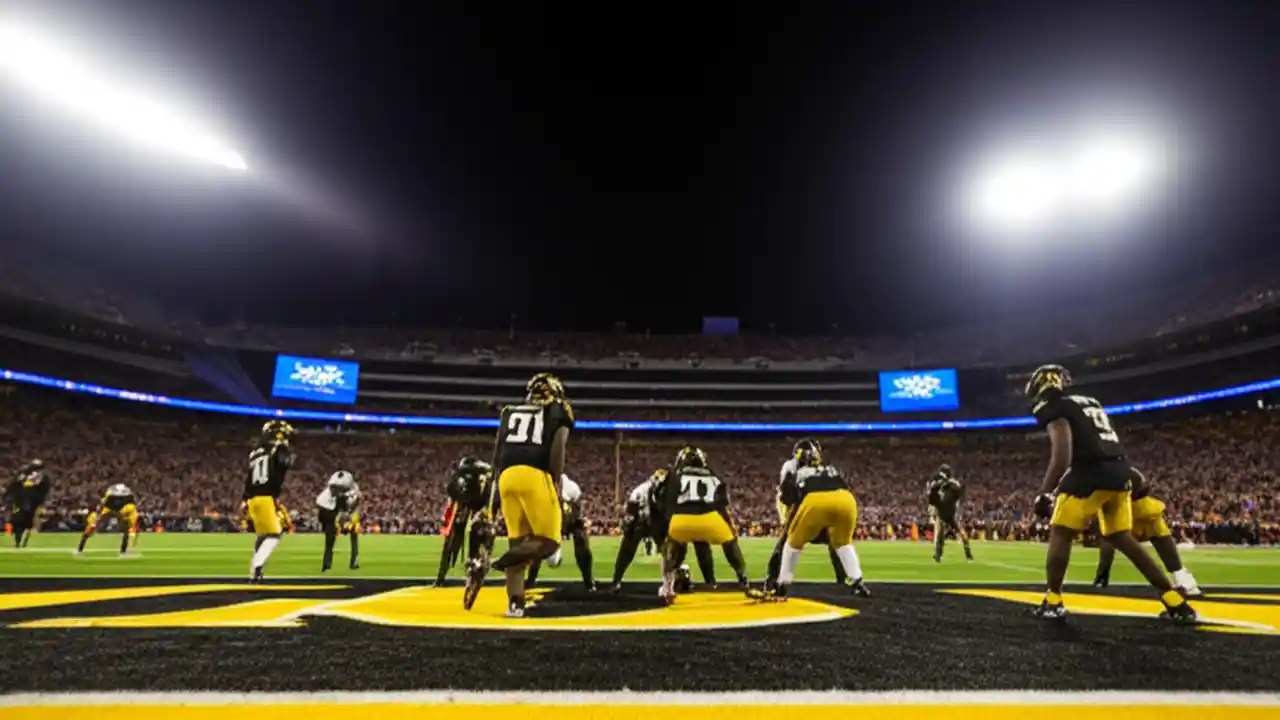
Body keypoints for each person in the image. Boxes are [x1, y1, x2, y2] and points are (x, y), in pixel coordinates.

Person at [1025, 364, 1195, 623]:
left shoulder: (1052, 405)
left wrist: (1045, 492)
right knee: (1121, 537)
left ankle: (1053, 600)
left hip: (1089, 473)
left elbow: (1062, 452)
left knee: (1060, 530)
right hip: (1120, 471)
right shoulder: (1090, 401)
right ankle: (1174, 600)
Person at [465, 373, 574, 618]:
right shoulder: (559, 409)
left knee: (519, 542)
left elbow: (497, 454)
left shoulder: (509, 412)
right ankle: (493, 564)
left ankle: (515, 604)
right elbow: (558, 448)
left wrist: (492, 496)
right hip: (534, 476)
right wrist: (555, 479)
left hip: (506, 477)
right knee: (549, 542)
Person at [657, 446, 757, 605]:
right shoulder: (713, 475)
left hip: (681, 519)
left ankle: (667, 587)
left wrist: (666, 528)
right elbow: (722, 506)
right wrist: (730, 529)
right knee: (730, 544)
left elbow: (666, 502)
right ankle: (744, 581)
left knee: (670, 547)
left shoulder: (674, 475)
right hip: (710, 519)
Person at [769, 440, 869, 599]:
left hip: (816, 500)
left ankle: (782, 584)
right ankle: (858, 582)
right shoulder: (829, 469)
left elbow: (788, 497)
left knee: (792, 544)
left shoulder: (798, 471)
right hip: (846, 500)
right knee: (844, 544)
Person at [1093, 466, 1201, 596]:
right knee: (1160, 539)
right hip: (1135, 502)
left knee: (1112, 536)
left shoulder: (1109, 472)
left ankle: (1102, 577)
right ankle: (1182, 579)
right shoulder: (1121, 468)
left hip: (1123, 504)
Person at [243, 419, 296, 583]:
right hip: (266, 496)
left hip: (252, 497)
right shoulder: (277, 449)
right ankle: (257, 566)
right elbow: (284, 464)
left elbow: (250, 476)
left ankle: (255, 572)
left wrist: (245, 499)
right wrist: (284, 449)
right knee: (275, 535)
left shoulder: (255, 453)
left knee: (262, 535)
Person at [525, 474, 595, 591]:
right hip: (548, 522)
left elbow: (577, 512)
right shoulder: (538, 487)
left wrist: (571, 524)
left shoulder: (571, 487)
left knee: (581, 539)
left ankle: (589, 581)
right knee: (538, 546)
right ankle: (530, 580)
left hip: (569, 520)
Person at [434, 456, 494, 586]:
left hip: (473, 504)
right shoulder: (480, 475)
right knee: (459, 540)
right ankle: (469, 572)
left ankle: (444, 576)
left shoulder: (466, 475)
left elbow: (452, 490)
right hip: (472, 503)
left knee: (460, 540)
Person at [316, 470, 361, 572]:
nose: (335, 490)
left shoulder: (351, 493)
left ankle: (354, 560)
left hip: (345, 513)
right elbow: (323, 512)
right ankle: (327, 564)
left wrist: (347, 518)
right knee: (330, 539)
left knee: (354, 531)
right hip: (331, 513)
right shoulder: (326, 498)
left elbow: (354, 505)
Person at [927, 464, 973, 563]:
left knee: (961, 533)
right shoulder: (938, 484)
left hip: (952, 512)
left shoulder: (953, 484)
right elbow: (933, 495)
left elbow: (956, 492)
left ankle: (968, 554)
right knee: (940, 534)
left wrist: (944, 484)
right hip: (943, 512)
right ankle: (938, 555)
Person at [76, 483, 139, 555]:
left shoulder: (129, 497)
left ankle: (123, 550)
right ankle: (80, 548)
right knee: (91, 526)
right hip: (108, 508)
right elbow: (102, 506)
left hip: (122, 509)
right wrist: (96, 518)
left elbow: (133, 505)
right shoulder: (109, 496)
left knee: (127, 528)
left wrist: (127, 518)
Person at [6, 459, 50, 549]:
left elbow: (13, 486)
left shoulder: (28, 476)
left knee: (22, 524)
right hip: (28, 502)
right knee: (26, 524)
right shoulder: (40, 477)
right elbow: (44, 489)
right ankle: (22, 542)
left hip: (25, 502)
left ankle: (19, 542)